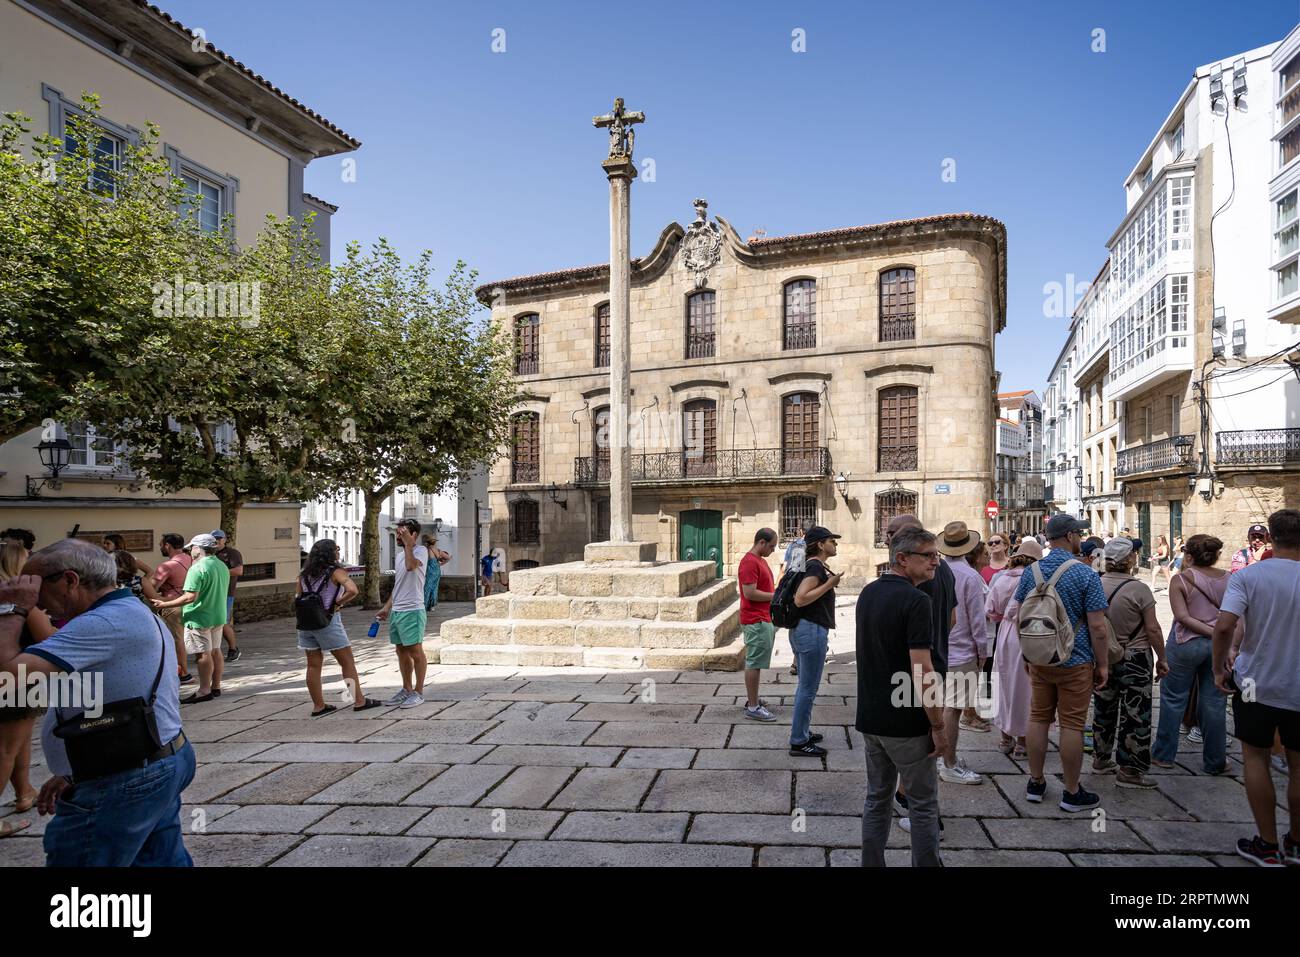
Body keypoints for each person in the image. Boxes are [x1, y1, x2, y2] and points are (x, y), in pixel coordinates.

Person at [0, 539, 193, 865]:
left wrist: (14, 608)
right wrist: (75, 769)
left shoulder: (101, 624)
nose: (33, 598)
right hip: (145, 759)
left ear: (70, 581)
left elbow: (7, 677)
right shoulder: (127, 610)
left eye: (34, 586)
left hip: (126, 776)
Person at [1212, 509, 1300, 866]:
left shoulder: (1249, 576)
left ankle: (1266, 844)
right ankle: (1296, 842)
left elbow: (1223, 627)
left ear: (1271, 538)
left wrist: (1219, 668)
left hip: (1253, 682)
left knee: (1255, 757)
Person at [856, 524, 944, 867]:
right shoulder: (917, 600)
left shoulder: (868, 593)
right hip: (905, 720)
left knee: (877, 798)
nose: (935, 562)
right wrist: (937, 724)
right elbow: (921, 668)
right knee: (922, 803)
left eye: (936, 555)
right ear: (903, 559)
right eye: (928, 556)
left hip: (871, 716)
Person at [1014, 514, 1109, 813]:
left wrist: (1027, 654)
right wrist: (1103, 664)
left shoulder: (1031, 571)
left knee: (1039, 717)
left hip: (1040, 659)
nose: (1081, 538)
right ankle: (1071, 791)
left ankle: (1036, 782)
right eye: (1078, 534)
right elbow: (1098, 627)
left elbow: (1021, 617)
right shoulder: (1086, 575)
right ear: (1069, 536)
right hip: (1076, 659)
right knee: (1071, 724)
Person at [885, 513, 956, 830]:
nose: (887, 538)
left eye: (892, 533)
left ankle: (927, 819)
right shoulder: (945, 570)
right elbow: (953, 620)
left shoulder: (915, 579)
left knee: (922, 750)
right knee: (918, 745)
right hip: (937, 661)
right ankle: (905, 795)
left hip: (916, 671)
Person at [1091, 538, 1168, 788]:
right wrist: (1162, 658)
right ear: (1129, 560)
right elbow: (1153, 629)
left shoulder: (1095, 585)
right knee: (1137, 713)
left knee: (1104, 707)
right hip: (1135, 656)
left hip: (1104, 655)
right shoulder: (1140, 589)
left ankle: (1101, 758)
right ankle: (1130, 771)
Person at [1152, 534, 1230, 775]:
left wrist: (1208, 631)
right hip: (1219, 646)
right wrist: (1220, 636)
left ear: (1188, 556)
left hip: (1186, 643)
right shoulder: (1230, 579)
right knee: (1215, 702)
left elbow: (1183, 617)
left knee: (1174, 698)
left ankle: (1164, 755)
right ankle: (1215, 761)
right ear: (1216, 555)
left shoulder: (1181, 580)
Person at [0, 541, 55, 838]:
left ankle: (24, 792)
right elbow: (48, 635)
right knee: (7, 747)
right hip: (19, 678)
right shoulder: (21, 600)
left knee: (19, 741)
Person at [296, 539, 381, 716]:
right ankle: (359, 701)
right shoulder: (336, 572)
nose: (338, 552)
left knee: (312, 665)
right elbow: (353, 590)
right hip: (328, 621)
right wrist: (337, 602)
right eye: (336, 549)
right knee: (347, 662)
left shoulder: (303, 575)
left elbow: (298, 596)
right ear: (330, 553)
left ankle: (318, 706)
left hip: (305, 623)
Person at [934, 522, 988, 783]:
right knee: (953, 709)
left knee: (938, 706)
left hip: (935, 649)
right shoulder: (970, 577)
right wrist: (982, 651)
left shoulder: (934, 570)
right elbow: (978, 619)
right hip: (961, 651)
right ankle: (949, 763)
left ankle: (938, 757)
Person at [151, 533, 228, 703]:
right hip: (218, 614)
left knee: (203, 654)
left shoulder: (197, 568)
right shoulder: (221, 565)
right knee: (216, 651)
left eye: (192, 547)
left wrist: (163, 604)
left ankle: (204, 690)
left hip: (199, 616)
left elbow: (189, 597)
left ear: (198, 549)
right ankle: (215, 687)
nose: (190, 551)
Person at [788, 526, 842, 757]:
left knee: (805, 686)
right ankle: (799, 741)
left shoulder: (808, 564)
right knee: (808, 689)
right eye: (832, 540)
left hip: (802, 629)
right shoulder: (815, 566)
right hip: (810, 630)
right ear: (820, 544)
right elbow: (800, 599)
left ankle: (802, 731)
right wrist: (830, 584)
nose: (835, 544)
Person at [986, 538, 1041, 758]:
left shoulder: (1001, 578)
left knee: (1003, 682)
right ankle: (1022, 741)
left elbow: (991, 610)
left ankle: (1005, 738)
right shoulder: (1037, 578)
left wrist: (1004, 616)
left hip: (1006, 634)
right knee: (1025, 687)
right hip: (1030, 633)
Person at [379, 519, 428, 709]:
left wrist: (409, 544)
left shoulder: (420, 551)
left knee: (416, 652)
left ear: (414, 534)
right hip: (398, 610)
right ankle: (406, 689)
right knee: (400, 651)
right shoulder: (400, 556)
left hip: (413, 610)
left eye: (403, 533)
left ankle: (419, 691)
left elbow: (411, 566)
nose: (398, 536)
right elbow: (398, 585)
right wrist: (386, 607)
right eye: (398, 533)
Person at [738, 528, 778, 722]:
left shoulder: (760, 561)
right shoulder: (749, 562)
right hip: (755, 619)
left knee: (758, 662)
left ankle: (753, 699)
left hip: (763, 617)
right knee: (754, 662)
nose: (773, 550)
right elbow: (750, 593)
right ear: (761, 542)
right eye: (771, 546)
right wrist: (777, 596)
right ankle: (753, 707)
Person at [151, 533, 194, 685]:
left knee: (178, 640)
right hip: (191, 603)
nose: (160, 547)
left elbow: (152, 587)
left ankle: (183, 673)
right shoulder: (191, 559)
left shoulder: (167, 566)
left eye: (161, 544)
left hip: (172, 605)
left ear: (167, 546)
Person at [211, 530, 244, 662]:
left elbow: (238, 570)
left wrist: (217, 572)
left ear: (225, 540)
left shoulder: (232, 553)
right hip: (209, 593)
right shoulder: (208, 554)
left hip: (225, 594)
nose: (217, 541)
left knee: (222, 622)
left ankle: (233, 649)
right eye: (214, 539)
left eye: (219, 538)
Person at [420, 533, 451, 612]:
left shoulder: (426, 551)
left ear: (427, 543)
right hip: (436, 570)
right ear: (434, 543)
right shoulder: (438, 551)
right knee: (434, 588)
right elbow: (448, 558)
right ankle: (432, 606)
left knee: (427, 587)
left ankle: (425, 605)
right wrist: (441, 564)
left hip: (429, 571)